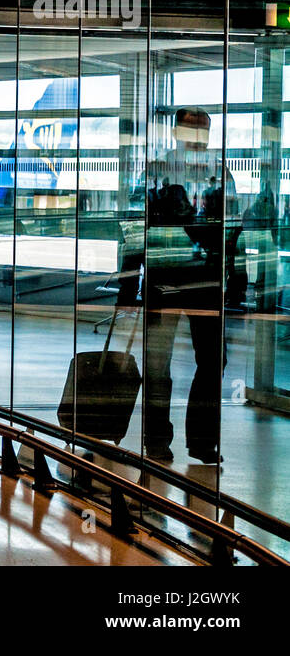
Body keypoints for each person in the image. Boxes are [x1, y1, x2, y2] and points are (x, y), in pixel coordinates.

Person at [143, 108, 232, 465]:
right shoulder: (160, 170)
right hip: (167, 275)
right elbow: (141, 222)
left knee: (212, 359)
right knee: (159, 362)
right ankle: (159, 439)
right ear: (177, 132)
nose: (197, 137)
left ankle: (201, 440)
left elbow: (228, 225)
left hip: (200, 277)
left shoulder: (216, 171)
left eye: (203, 130)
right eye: (191, 130)